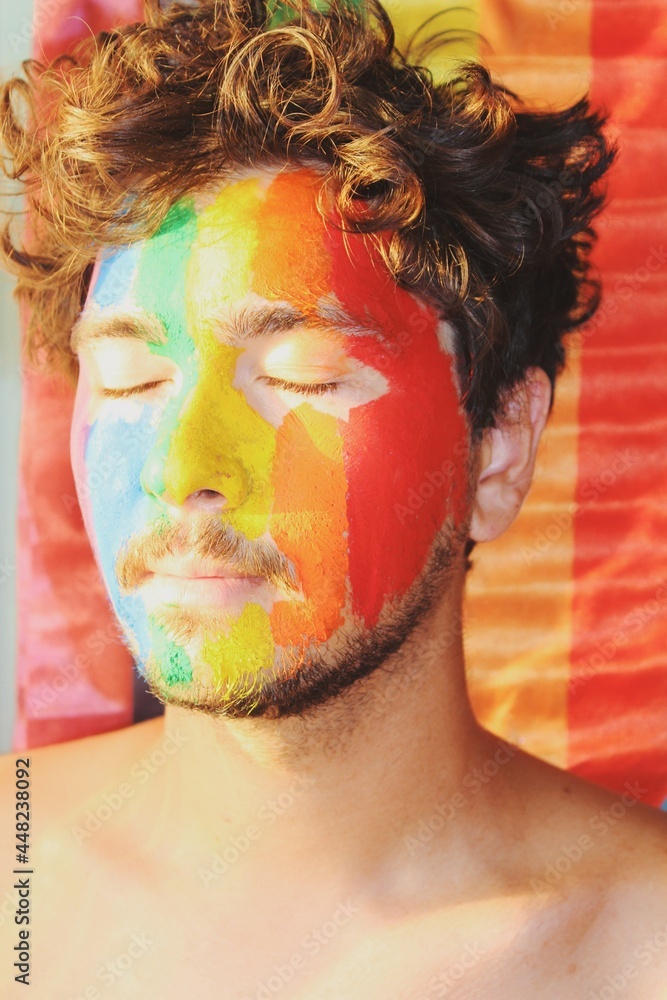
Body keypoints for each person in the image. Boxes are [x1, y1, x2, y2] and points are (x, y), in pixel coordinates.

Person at [1, 1, 666, 996]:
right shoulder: (16, 880)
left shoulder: (639, 942)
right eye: (134, 379)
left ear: (497, 451)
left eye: (305, 377)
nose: (184, 469)